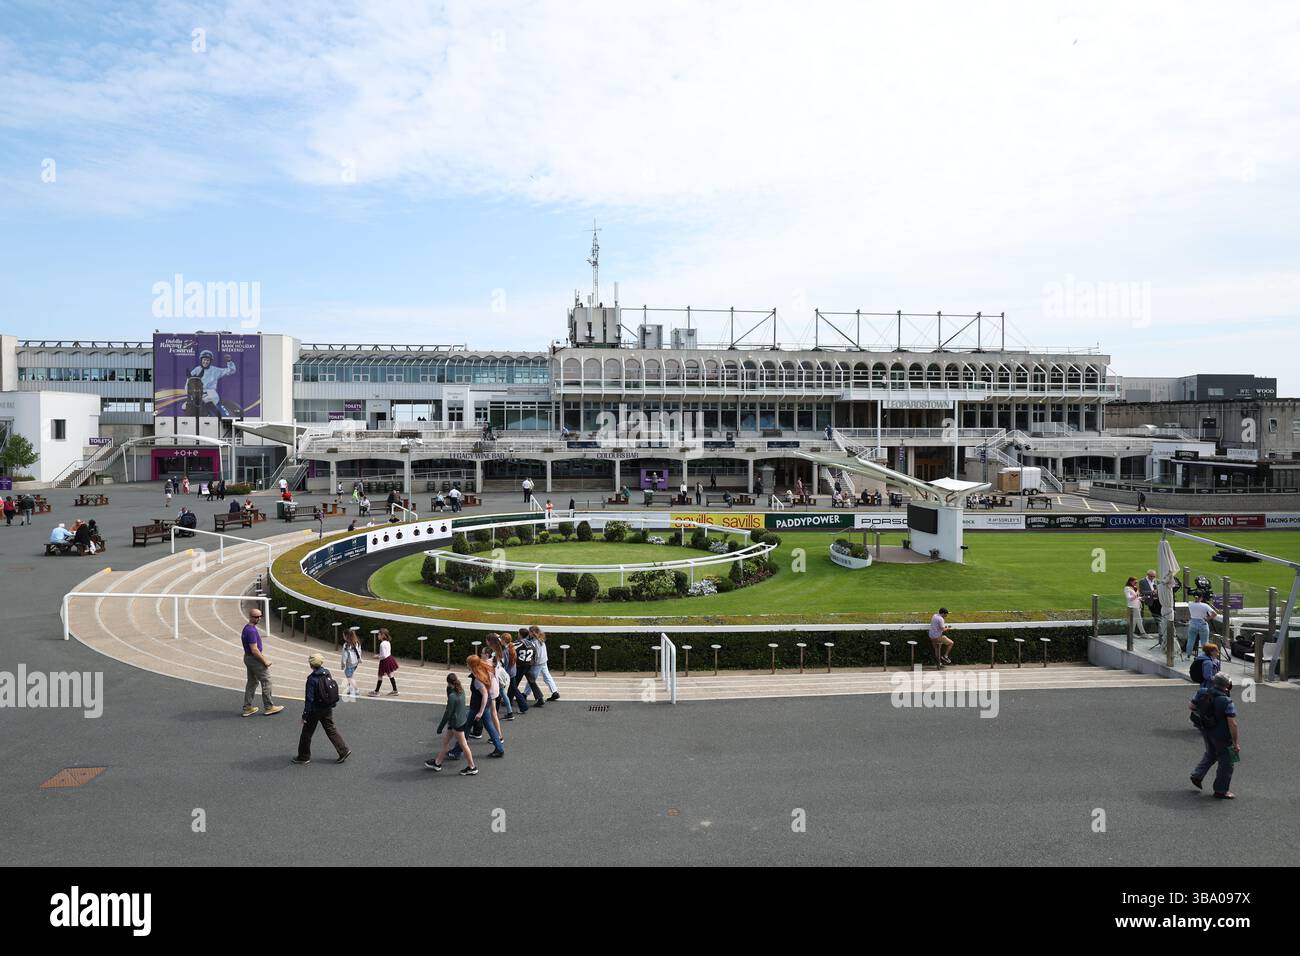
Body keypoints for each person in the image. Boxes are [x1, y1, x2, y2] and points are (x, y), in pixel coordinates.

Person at [292, 654, 351, 765]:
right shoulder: (327, 673)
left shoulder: (311, 679)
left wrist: (305, 715)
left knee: (306, 733)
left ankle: (303, 756)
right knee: (331, 729)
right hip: (327, 707)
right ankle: (343, 750)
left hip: (315, 710)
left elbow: (309, 699)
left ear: (311, 665)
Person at [1189, 673, 1239, 798]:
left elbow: (1191, 706)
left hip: (1206, 730)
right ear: (1227, 685)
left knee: (1211, 753)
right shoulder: (1227, 701)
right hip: (1222, 735)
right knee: (1227, 763)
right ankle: (1221, 790)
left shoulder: (1202, 692)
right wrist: (1235, 743)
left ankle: (1197, 775)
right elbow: (1233, 724)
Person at [426, 673, 478, 775]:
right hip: (461, 720)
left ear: (448, 682)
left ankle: (472, 767)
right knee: (446, 742)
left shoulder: (452, 696)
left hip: (456, 724)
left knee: (463, 745)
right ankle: (437, 763)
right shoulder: (461, 691)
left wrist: (440, 727)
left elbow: (447, 713)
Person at [240, 607, 284, 717]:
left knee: (252, 682)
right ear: (250, 617)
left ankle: (247, 708)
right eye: (256, 617)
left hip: (248, 658)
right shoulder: (251, 631)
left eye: (260, 616)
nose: (259, 618)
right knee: (266, 681)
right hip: (254, 659)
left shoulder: (247, 628)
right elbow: (254, 650)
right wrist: (265, 661)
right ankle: (269, 707)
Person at [513, 626, 546, 706]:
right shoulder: (535, 641)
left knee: (514, 683)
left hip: (524, 665)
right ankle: (539, 698)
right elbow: (535, 653)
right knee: (532, 682)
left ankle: (510, 699)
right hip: (531, 664)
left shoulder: (522, 642)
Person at [529, 624, 560, 701]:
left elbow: (537, 654)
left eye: (529, 632)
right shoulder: (541, 639)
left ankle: (525, 694)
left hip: (538, 663)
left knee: (531, 679)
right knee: (547, 677)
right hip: (544, 661)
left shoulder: (535, 642)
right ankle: (555, 692)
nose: (528, 633)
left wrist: (534, 663)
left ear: (532, 633)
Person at [1185, 593, 1218, 659]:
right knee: (1204, 641)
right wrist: (1208, 618)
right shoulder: (1205, 605)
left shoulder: (1190, 604)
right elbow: (1215, 614)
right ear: (1201, 598)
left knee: (1191, 640)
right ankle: (1204, 656)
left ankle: (1188, 656)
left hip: (1193, 623)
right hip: (1202, 623)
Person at [368, 628, 399, 696]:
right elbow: (386, 653)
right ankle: (395, 690)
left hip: (385, 661)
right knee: (390, 675)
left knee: (380, 676)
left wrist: (377, 657)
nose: (378, 636)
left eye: (379, 634)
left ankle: (376, 692)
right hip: (390, 659)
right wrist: (379, 655)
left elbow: (384, 655)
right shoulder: (387, 642)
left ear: (383, 635)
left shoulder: (382, 644)